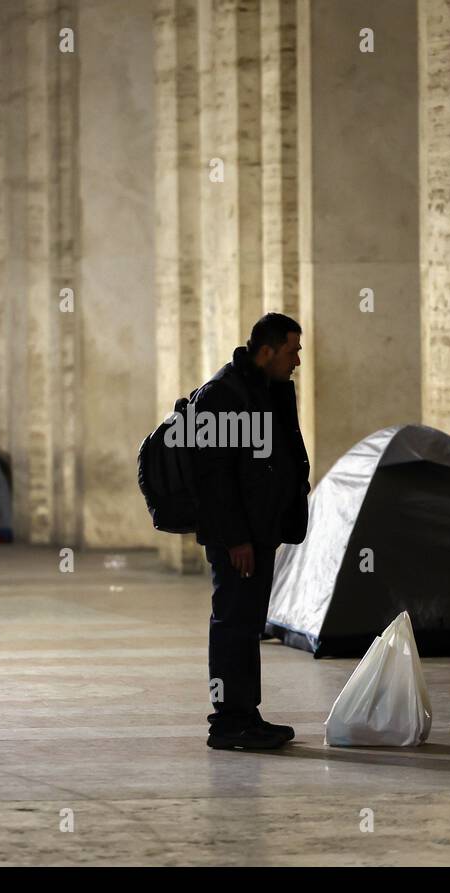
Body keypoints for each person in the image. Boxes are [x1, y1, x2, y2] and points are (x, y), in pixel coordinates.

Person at [192, 312, 310, 750]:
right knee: (232, 624)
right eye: (292, 350)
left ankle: (246, 713)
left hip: (259, 533)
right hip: (236, 539)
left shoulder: (265, 389)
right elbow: (214, 478)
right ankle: (226, 722)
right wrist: (236, 538)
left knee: (247, 625)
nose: (297, 359)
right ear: (267, 350)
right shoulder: (222, 396)